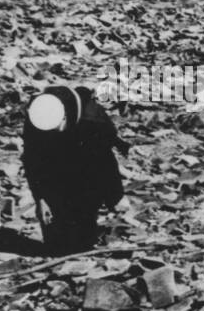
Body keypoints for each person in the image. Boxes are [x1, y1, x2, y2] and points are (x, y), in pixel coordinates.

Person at [22, 86, 127, 256]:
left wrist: (114, 198)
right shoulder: (37, 117)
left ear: (66, 116)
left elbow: (104, 165)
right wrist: (40, 197)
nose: (53, 132)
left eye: (57, 127)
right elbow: (32, 160)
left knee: (82, 239)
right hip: (53, 167)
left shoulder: (94, 123)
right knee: (55, 243)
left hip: (85, 167)